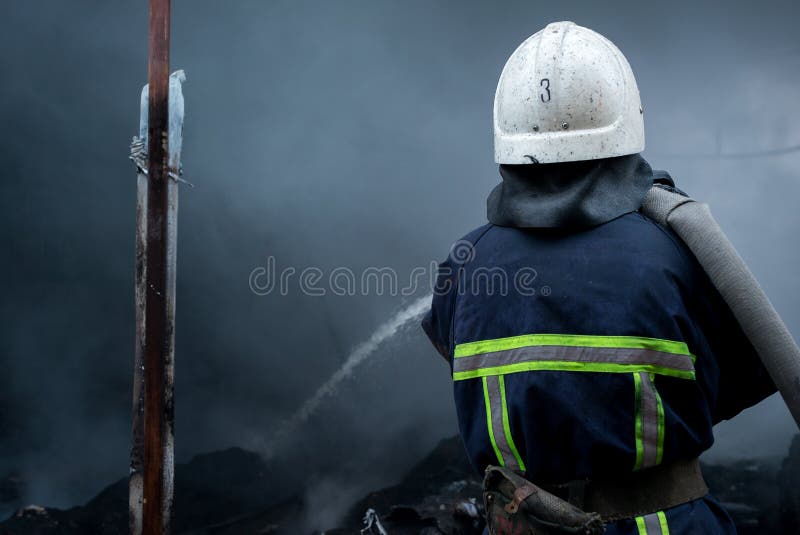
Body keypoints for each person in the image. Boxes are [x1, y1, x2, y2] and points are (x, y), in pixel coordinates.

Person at [422, 21, 776, 535]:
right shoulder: (677, 251)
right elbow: (739, 377)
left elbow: (460, 359)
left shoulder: (465, 263)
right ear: (628, 118)